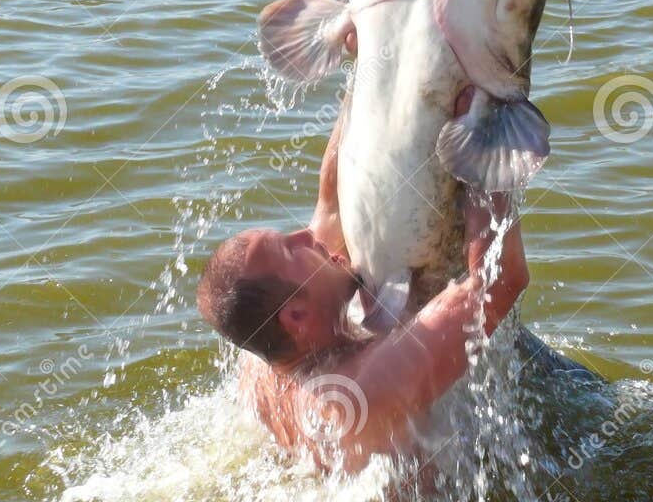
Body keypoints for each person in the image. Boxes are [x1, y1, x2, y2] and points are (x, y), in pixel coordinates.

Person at [196, 90, 528, 471]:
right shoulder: (365, 387)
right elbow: (498, 282)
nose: (306, 236)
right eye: (292, 249)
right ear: (297, 318)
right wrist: (483, 144)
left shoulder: (260, 367)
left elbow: (330, 202)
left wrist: (363, 74)